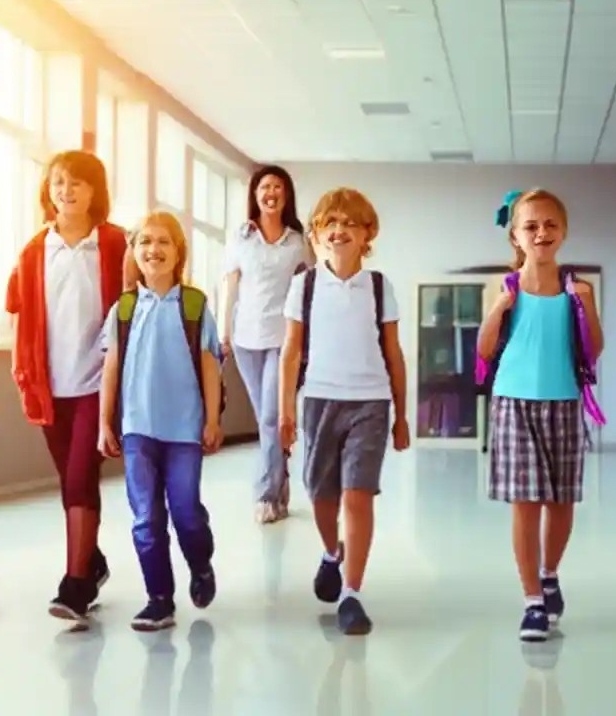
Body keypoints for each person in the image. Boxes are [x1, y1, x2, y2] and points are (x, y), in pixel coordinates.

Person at [277, 187, 409, 635]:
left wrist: (402, 416)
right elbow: (291, 352)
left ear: (366, 234)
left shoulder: (378, 286)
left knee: (357, 494)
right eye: (330, 223)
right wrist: (285, 412)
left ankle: (352, 594)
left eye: (350, 223)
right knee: (320, 493)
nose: (339, 231)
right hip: (319, 400)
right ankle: (332, 551)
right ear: (316, 233)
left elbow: (394, 354)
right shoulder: (305, 285)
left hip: (370, 402)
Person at [5, 150, 129, 623]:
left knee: (80, 478)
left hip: (99, 384)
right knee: (70, 481)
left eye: (78, 182)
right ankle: (91, 561)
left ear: (95, 192)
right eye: (59, 182)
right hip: (48, 386)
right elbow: (16, 308)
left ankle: (75, 584)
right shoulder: (35, 250)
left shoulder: (116, 244)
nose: (67, 190)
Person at [476, 188, 604, 643]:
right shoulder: (506, 290)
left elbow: (593, 349)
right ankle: (532, 600)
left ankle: (550, 574)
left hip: (564, 401)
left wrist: (587, 304)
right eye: (531, 226)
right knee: (526, 503)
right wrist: (497, 309)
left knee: (562, 501)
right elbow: (485, 349)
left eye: (550, 224)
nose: (541, 233)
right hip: (513, 402)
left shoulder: (575, 290)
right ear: (515, 235)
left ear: (563, 231)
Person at [98, 211, 223, 632]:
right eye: (145, 242)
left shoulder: (194, 304)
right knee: (145, 518)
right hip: (137, 429)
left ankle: (200, 563)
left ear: (178, 252)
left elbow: (209, 365)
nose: (154, 250)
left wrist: (210, 419)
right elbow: (111, 368)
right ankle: (159, 598)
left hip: (185, 428)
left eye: (164, 241)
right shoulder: (124, 308)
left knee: (186, 511)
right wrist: (105, 423)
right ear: (134, 252)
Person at [221, 165, 314, 524]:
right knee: (266, 419)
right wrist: (225, 331)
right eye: (264, 187)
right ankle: (281, 478)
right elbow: (231, 285)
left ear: (285, 195)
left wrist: (308, 334)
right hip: (246, 339)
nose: (270, 192)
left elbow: (310, 289)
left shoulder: (297, 241)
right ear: (255, 195)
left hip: (284, 338)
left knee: (273, 417)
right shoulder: (241, 237)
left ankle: (266, 494)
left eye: (277, 186)